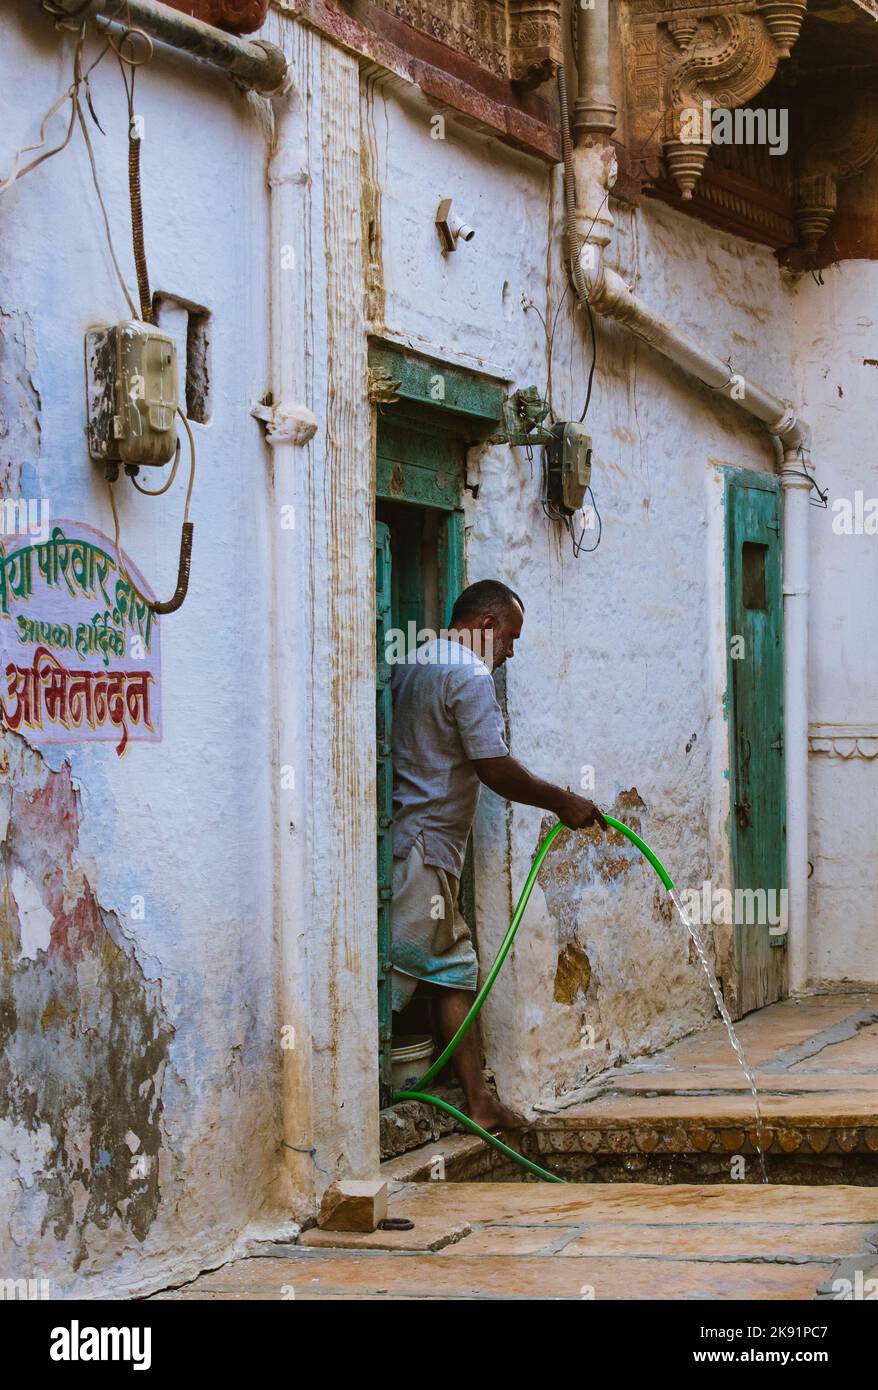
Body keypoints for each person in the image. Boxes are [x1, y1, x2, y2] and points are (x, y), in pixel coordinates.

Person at [390, 578, 606, 1132]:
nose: (510, 651)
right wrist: (562, 801)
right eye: (509, 638)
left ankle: (475, 1101)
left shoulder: (412, 663)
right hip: (425, 847)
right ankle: (373, 1104)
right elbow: (494, 766)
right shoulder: (468, 674)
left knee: (447, 967)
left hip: (402, 839)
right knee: (406, 974)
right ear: (485, 627)